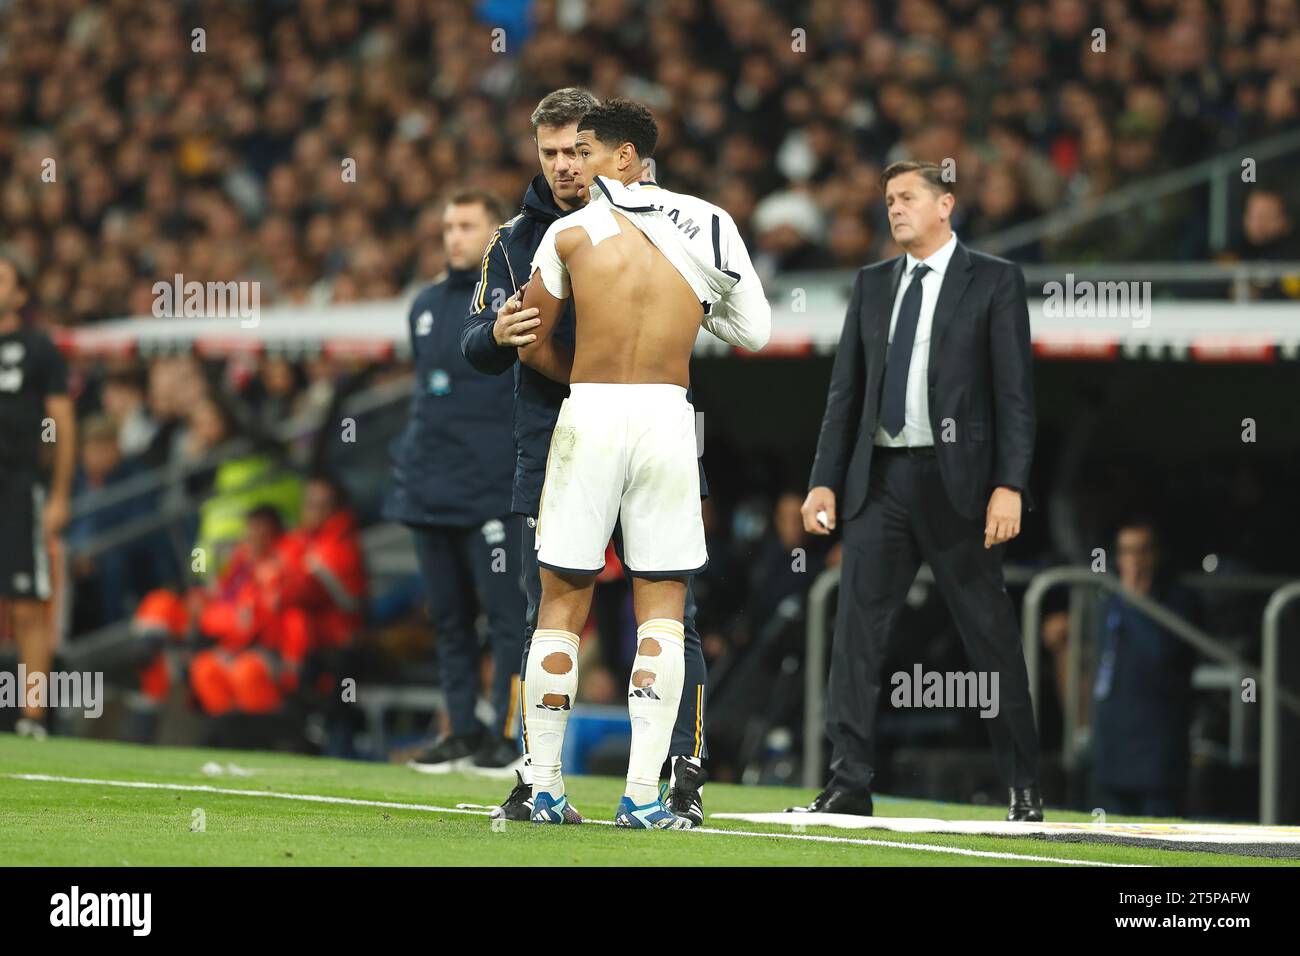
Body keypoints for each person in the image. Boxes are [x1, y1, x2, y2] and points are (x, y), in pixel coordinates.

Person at [461, 88, 724, 827]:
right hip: (550, 445)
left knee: (673, 614)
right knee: (542, 612)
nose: (563, 166)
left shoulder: (672, 222)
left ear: (608, 150)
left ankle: (682, 775)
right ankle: (536, 775)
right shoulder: (515, 239)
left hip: (655, 431)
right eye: (549, 153)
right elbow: (474, 340)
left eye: (576, 150)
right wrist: (499, 336)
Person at [517, 98, 769, 827]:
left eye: (589, 150)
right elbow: (753, 330)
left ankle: (544, 789)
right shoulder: (712, 224)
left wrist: (591, 379)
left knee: (562, 602)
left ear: (625, 157)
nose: (576, 164)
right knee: (663, 608)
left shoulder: (567, 233)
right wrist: (695, 309)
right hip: (667, 416)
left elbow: (530, 339)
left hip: (589, 412)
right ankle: (643, 797)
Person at [799, 160, 1043, 821]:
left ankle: (1023, 788)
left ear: (946, 205)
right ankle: (849, 783)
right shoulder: (872, 284)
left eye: (907, 197)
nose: (895, 209)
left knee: (989, 638)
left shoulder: (994, 280)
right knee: (856, 635)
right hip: (880, 479)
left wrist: (1009, 486)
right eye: (888, 200)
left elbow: (1015, 398)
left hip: (957, 484)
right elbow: (844, 394)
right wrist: (824, 479)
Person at [384, 190, 527, 774]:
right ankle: (463, 731)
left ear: (495, 232)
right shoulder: (423, 304)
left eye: (467, 226)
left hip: (493, 488)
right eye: (448, 226)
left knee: (506, 621)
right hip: (430, 488)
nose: (454, 236)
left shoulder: (514, 297)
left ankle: (511, 736)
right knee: (447, 620)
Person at [0, 256, 75, 739]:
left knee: (27, 604)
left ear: (20, 294)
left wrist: (60, 494)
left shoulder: (40, 349)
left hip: (18, 485)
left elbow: (62, 424)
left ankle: (31, 718)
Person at [1090, 518, 1197, 817]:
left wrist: (1135, 602)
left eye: (1142, 551)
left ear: (1157, 554)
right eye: (1126, 551)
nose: (1134, 560)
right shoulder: (1110, 601)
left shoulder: (1178, 600)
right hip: (1114, 738)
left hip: (1158, 743)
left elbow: (1163, 653)